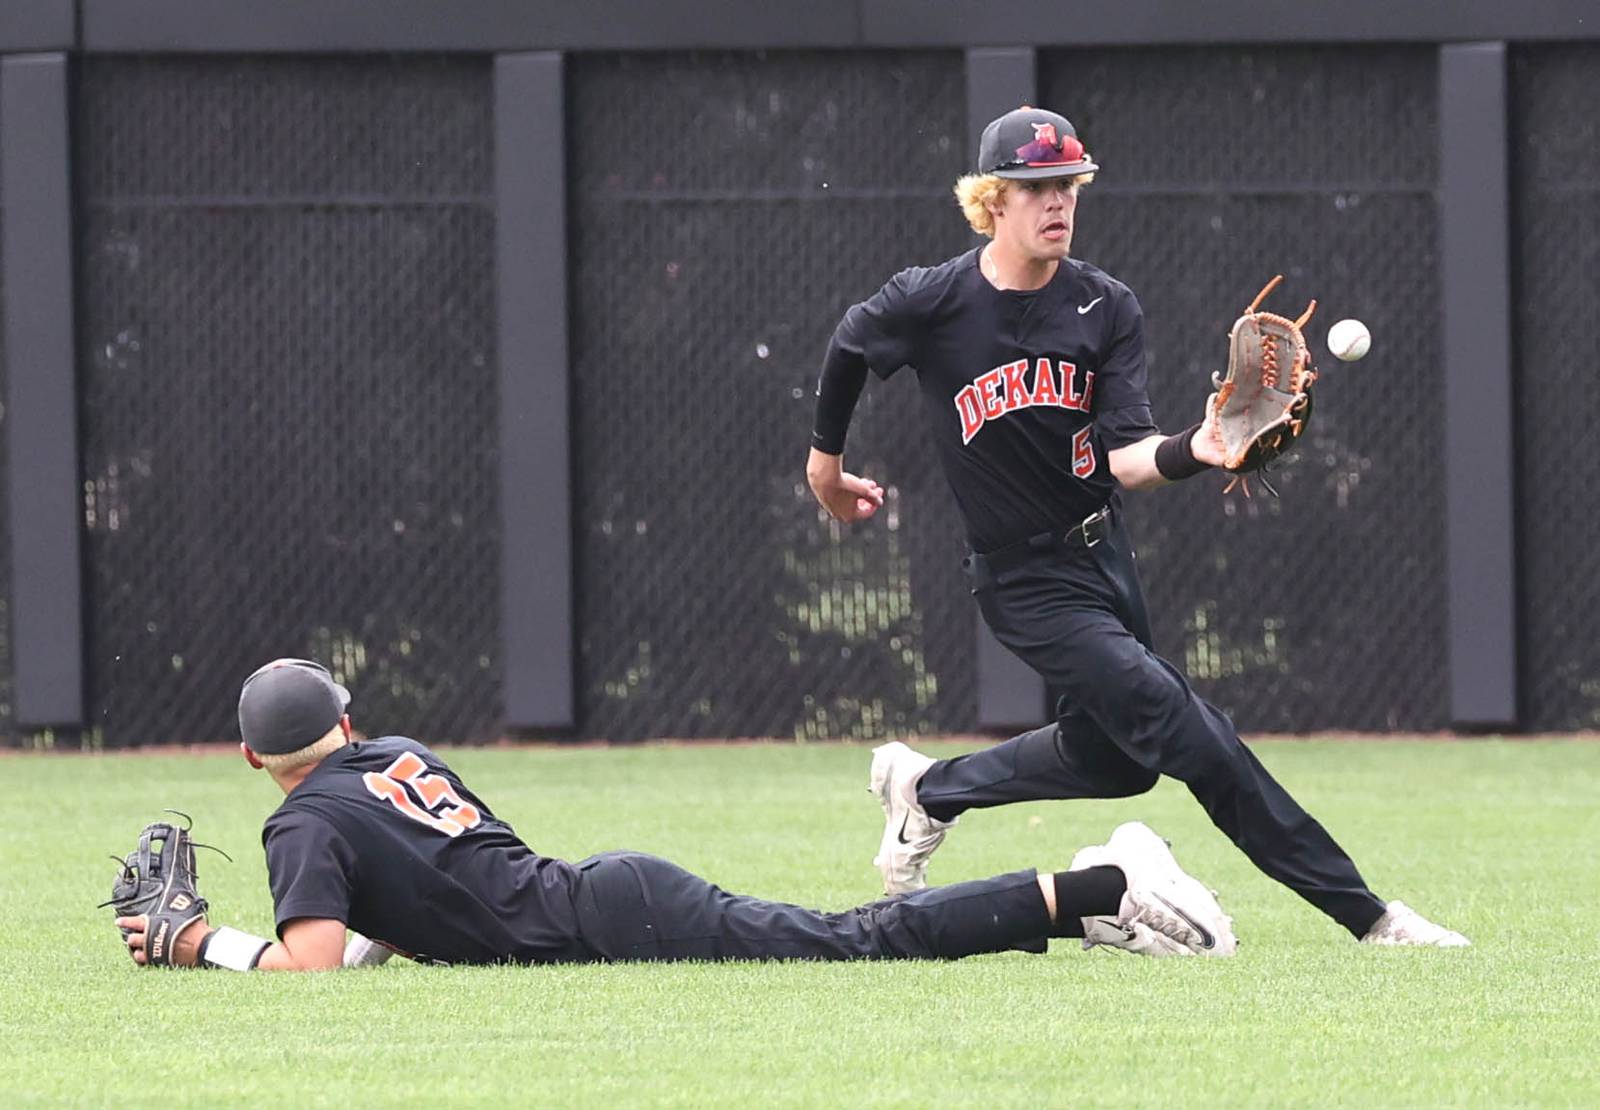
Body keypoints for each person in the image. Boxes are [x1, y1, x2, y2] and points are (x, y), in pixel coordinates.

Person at [805, 106, 1466, 949]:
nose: (1058, 202)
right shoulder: (931, 300)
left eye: (1069, 185)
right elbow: (850, 345)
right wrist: (824, 466)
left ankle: (928, 791)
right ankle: (1371, 918)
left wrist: (1202, 446)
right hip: (1022, 581)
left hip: (1103, 561)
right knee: (1197, 735)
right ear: (992, 200)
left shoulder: (1104, 306)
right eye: (1038, 187)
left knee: (1118, 761)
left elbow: (1126, 456)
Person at [115, 658, 1238, 971]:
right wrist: (384, 941)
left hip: (608, 918)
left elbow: (308, 966)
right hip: (599, 894)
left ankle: (1102, 887)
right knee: (847, 938)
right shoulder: (394, 753)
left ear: (251, 758)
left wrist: (200, 943)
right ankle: (1094, 890)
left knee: (855, 941)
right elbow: (429, 888)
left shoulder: (300, 824)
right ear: (348, 720)